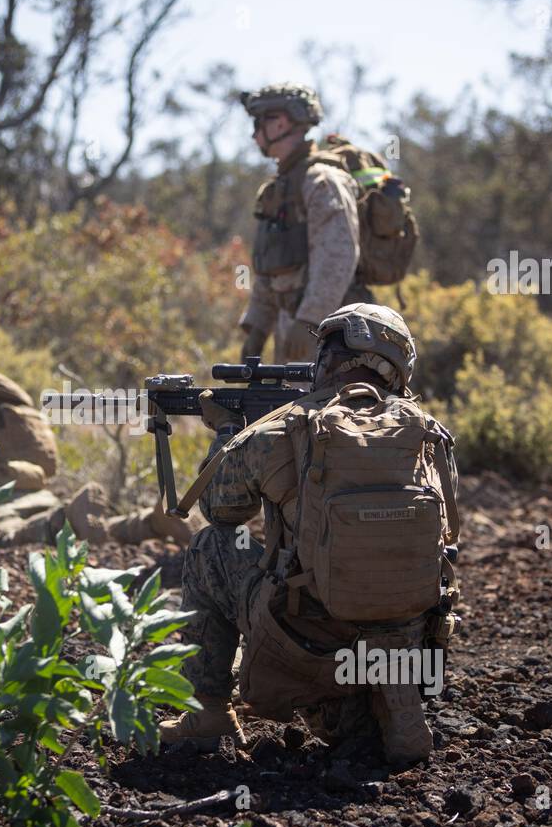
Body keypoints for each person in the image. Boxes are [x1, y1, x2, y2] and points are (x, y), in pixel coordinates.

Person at [161, 304, 460, 766]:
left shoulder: (284, 426)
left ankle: (207, 714)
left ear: (329, 359)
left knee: (208, 547)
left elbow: (218, 509)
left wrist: (225, 430)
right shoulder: (428, 437)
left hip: (308, 647)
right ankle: (388, 697)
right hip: (407, 653)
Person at [0, 370, 199, 546]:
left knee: (10, 537)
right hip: (34, 490)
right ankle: (150, 521)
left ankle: (68, 516)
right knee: (88, 531)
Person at [238, 83, 370, 366]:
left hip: (338, 334)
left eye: (258, 123)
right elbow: (271, 269)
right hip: (294, 327)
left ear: (280, 123)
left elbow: (338, 256)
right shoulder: (279, 188)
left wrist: (310, 319)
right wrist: (258, 328)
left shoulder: (322, 181)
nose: (253, 133)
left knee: (332, 411)